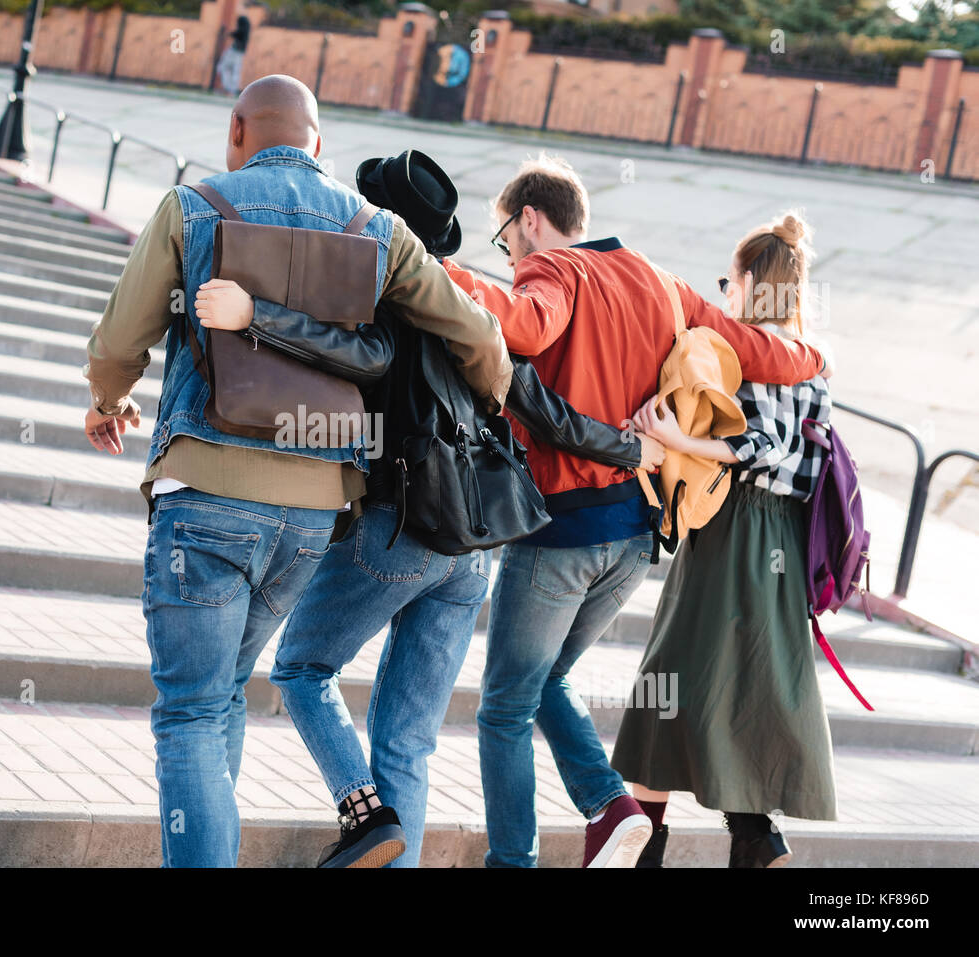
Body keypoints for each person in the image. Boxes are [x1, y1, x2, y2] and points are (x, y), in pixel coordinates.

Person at [82, 76, 513, 868]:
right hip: (313, 515)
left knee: (187, 711)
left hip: (206, 492)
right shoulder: (379, 229)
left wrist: (108, 401)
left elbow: (118, 342)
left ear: (237, 128)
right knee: (224, 691)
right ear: (318, 143)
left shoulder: (194, 204)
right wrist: (487, 402)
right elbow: (480, 336)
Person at [201, 149, 665, 868]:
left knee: (300, 667)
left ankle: (363, 810)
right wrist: (632, 453)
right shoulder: (476, 310)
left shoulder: (385, 292)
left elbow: (358, 356)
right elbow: (546, 413)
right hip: (470, 549)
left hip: (401, 525)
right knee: (409, 738)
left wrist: (253, 314)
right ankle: (386, 833)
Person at [441, 155, 832, 868]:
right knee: (545, 681)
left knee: (502, 705)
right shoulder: (661, 281)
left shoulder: (551, 270)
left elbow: (522, 328)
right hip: (630, 539)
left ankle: (571, 828)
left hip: (559, 529)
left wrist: (434, 273)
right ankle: (618, 811)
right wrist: (809, 354)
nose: (510, 254)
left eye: (506, 240)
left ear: (530, 220)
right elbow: (752, 348)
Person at [611, 211, 836, 869]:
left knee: (673, 674)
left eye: (727, 279)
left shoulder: (752, 350)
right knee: (743, 677)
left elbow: (758, 447)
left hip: (735, 526)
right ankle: (754, 839)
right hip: (783, 539)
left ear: (746, 282)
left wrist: (677, 440)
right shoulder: (813, 361)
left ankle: (650, 846)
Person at [214, 15, 250, 97]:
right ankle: (230, 90)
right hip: (238, 53)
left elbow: (234, 34)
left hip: (234, 52)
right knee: (234, 71)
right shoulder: (245, 33)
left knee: (224, 68)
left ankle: (228, 89)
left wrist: (226, 32)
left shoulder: (241, 32)